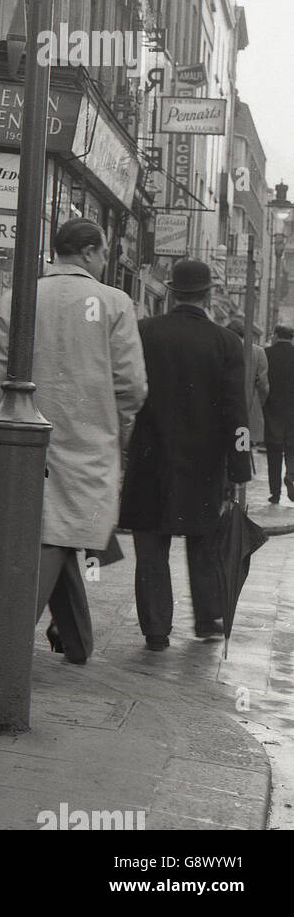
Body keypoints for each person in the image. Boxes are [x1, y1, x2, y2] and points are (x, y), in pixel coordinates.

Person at [0, 218, 146, 665]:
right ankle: (2, 637)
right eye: (105, 253)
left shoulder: (19, 298)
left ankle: (77, 642)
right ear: (89, 252)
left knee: (54, 526)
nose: (105, 262)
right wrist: (119, 423)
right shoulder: (114, 303)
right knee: (61, 530)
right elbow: (131, 384)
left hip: (22, 437)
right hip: (88, 440)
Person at [120, 259, 251, 649]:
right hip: (205, 463)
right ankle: (208, 618)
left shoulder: (143, 332)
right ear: (209, 294)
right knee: (205, 541)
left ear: (172, 292)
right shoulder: (227, 342)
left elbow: (128, 391)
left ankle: (156, 629)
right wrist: (240, 467)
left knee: (150, 545)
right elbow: (236, 412)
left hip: (149, 456)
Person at [228, 319, 269, 498]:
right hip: (244, 417)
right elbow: (264, 386)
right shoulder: (257, 352)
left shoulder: (222, 346)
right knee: (242, 452)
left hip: (220, 416)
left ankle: (225, 491)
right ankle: (237, 494)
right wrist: (259, 406)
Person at [263, 324, 294, 505]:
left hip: (273, 410)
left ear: (275, 335)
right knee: (292, 450)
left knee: (273, 454)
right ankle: (290, 476)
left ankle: (275, 493)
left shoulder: (267, 354)